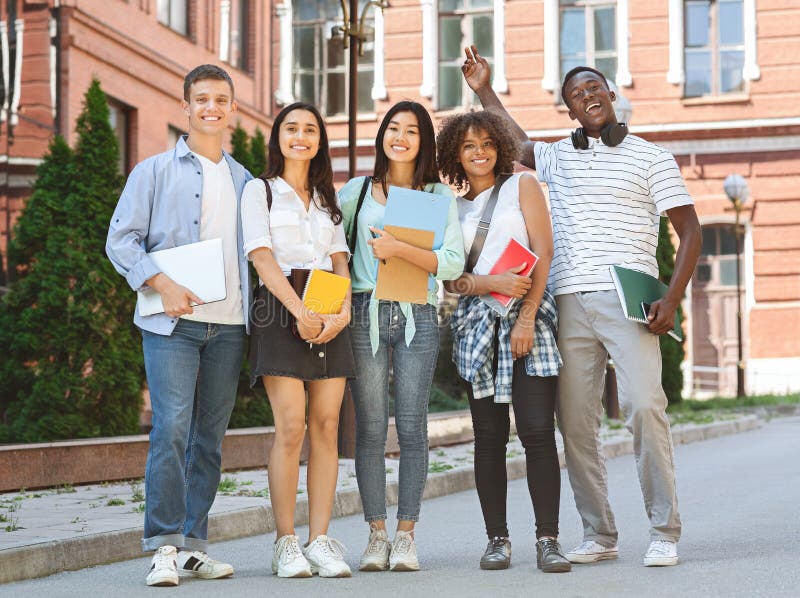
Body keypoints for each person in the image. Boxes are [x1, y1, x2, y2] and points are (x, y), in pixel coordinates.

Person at [461, 46, 701, 567]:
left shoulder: (651, 156)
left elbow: (691, 231)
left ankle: (664, 529)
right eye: (576, 94)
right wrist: (483, 89)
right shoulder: (556, 156)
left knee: (643, 407)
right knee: (575, 424)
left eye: (594, 87)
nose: (587, 96)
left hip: (627, 298)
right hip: (567, 299)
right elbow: (514, 139)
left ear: (611, 94)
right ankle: (600, 533)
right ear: (568, 110)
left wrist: (672, 297)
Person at [106, 64, 251, 586]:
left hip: (229, 325)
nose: (212, 108)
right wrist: (161, 283)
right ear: (185, 106)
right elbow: (121, 240)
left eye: (221, 100)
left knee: (208, 439)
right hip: (171, 325)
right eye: (202, 99)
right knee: (170, 430)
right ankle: (163, 544)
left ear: (232, 109)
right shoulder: (153, 172)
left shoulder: (246, 182)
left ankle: (193, 544)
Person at [438, 110, 570, 573]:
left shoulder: (522, 186)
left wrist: (528, 319)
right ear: (455, 152)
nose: (479, 153)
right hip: (477, 324)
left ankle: (548, 540)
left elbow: (544, 251)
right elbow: (450, 282)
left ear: (500, 147)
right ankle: (497, 540)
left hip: (527, 318)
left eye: (488, 143)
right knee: (488, 438)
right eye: (469, 145)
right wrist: (486, 281)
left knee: (536, 432)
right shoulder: (450, 210)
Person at [338, 101, 465, 572]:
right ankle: (375, 534)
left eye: (412, 131)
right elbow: (336, 251)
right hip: (364, 311)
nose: (401, 137)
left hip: (417, 313)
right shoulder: (355, 191)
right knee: (370, 429)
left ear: (423, 141)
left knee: (412, 428)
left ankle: (406, 535)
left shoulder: (436, 195)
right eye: (394, 128)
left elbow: (452, 263)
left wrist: (400, 249)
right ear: (382, 135)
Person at [242, 102, 355, 578]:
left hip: (329, 307)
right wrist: (298, 310)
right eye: (292, 128)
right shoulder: (259, 191)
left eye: (310, 129)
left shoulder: (328, 199)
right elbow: (262, 259)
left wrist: (343, 312)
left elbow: (340, 263)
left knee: (327, 425)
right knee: (291, 426)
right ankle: (285, 541)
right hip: (280, 308)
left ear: (319, 141)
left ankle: (320, 540)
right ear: (278, 137)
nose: (301, 136)